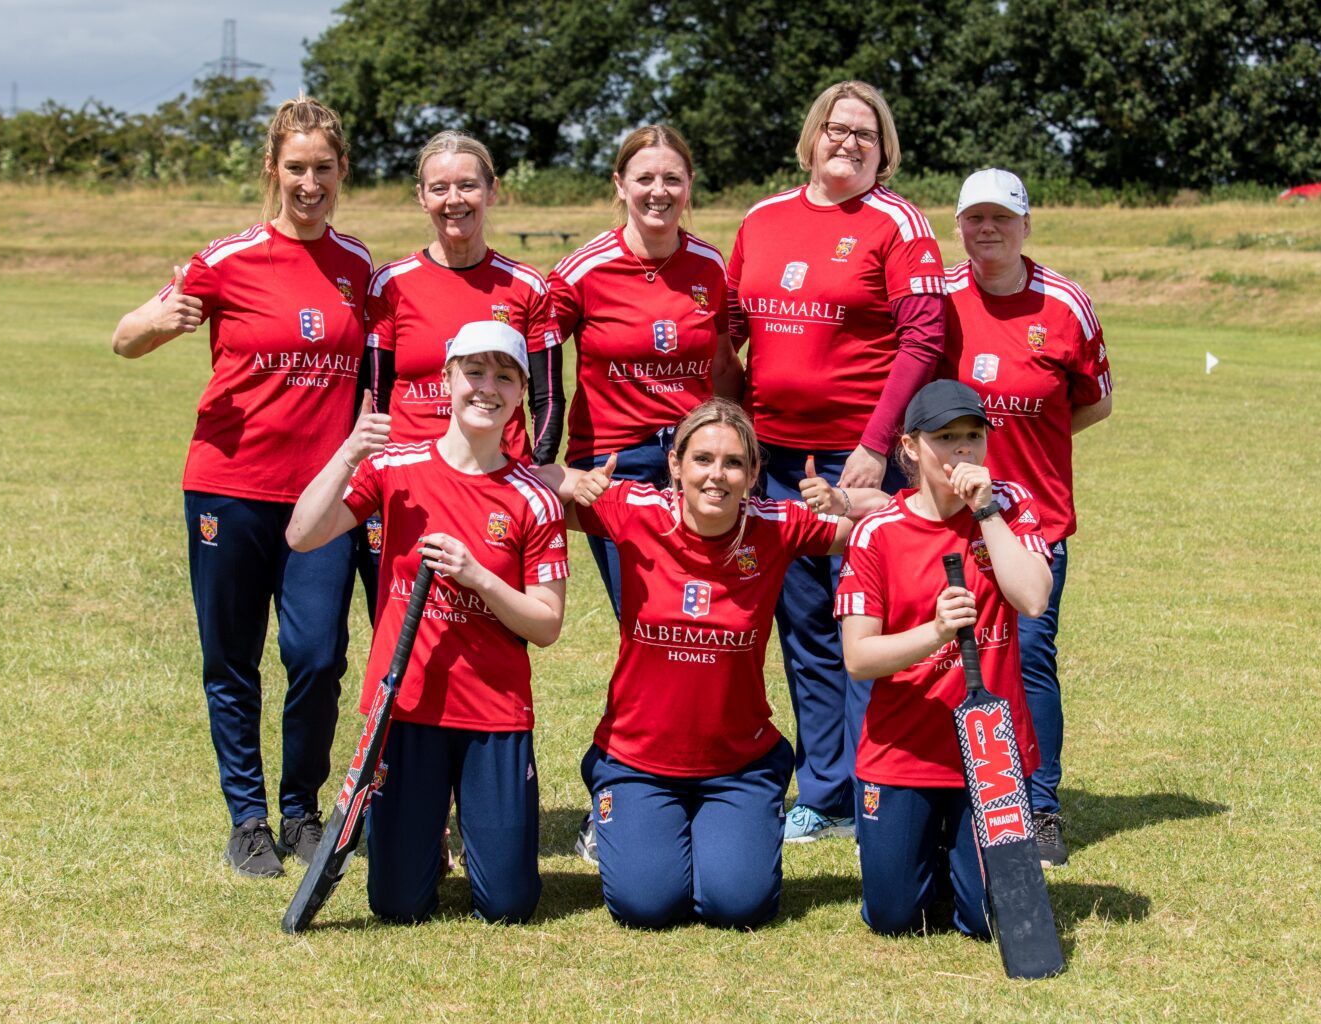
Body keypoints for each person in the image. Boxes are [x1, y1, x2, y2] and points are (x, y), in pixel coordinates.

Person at [110, 97, 372, 878]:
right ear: (272, 170)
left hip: (323, 499)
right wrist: (164, 321)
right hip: (229, 487)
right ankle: (248, 819)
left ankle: (301, 810)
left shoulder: (359, 267)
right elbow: (124, 340)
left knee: (318, 654)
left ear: (341, 172)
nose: (310, 182)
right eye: (296, 167)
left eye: (323, 168)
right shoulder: (225, 260)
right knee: (232, 658)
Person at [541, 399, 868, 929]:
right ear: (675, 464)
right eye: (703, 459)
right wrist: (571, 482)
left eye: (734, 463)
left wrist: (844, 498)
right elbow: (520, 487)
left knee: (737, 906)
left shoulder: (777, 525)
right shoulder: (632, 509)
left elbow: (885, 524)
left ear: (754, 473)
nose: (717, 475)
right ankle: (627, 817)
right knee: (647, 906)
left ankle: (722, 826)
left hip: (737, 765)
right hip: (637, 760)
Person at [286, 321, 567, 924]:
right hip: (407, 707)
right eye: (474, 371)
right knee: (397, 905)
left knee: (509, 905)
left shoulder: (533, 497)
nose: (487, 388)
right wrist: (348, 452)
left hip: (493, 711)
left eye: (504, 376)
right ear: (446, 379)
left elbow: (546, 624)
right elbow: (302, 533)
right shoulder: (395, 468)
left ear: (521, 393)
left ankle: (477, 838)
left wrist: (480, 578)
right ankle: (423, 841)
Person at [726, 81, 947, 842]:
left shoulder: (899, 223)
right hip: (777, 461)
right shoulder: (761, 219)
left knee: (869, 617)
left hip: (862, 464)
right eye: (834, 127)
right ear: (809, 138)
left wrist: (876, 446)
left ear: (884, 148)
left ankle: (880, 781)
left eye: (865, 132)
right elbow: (732, 332)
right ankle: (825, 790)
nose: (846, 142)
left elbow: (924, 340)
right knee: (805, 625)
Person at [830, 379, 1052, 935]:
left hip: (990, 751)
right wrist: (934, 632)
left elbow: (1032, 598)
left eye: (973, 437)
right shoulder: (878, 532)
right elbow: (858, 658)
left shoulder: (1011, 503)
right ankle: (918, 850)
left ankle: (963, 859)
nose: (962, 451)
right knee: (894, 917)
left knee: (990, 922)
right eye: (945, 437)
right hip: (903, 750)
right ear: (909, 447)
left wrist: (987, 512)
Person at [941, 168, 1113, 866]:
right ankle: (956, 793)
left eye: (1002, 218)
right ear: (959, 226)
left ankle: (1039, 806)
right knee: (951, 654)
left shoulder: (1067, 303)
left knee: (1031, 659)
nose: (989, 231)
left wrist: (1030, 445)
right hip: (950, 518)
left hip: (1034, 520)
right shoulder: (941, 299)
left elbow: (1094, 400)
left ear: (1026, 224)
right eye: (975, 219)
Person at [547, 124, 741, 617]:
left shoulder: (709, 265)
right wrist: (538, 462)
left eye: (673, 179)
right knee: (644, 616)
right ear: (620, 184)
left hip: (695, 461)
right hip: (615, 466)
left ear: (689, 184)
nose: (659, 192)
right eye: (645, 179)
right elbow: (530, 362)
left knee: (703, 610)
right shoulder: (582, 271)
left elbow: (722, 365)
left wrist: (743, 449)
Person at [365, 130, 562, 465]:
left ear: (492, 190)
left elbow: (547, 397)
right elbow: (373, 398)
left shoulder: (526, 285)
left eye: (468, 185)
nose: (454, 199)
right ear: (422, 196)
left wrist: (537, 468)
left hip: (501, 476)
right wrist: (379, 471)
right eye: (439, 188)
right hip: (411, 479)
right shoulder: (389, 283)